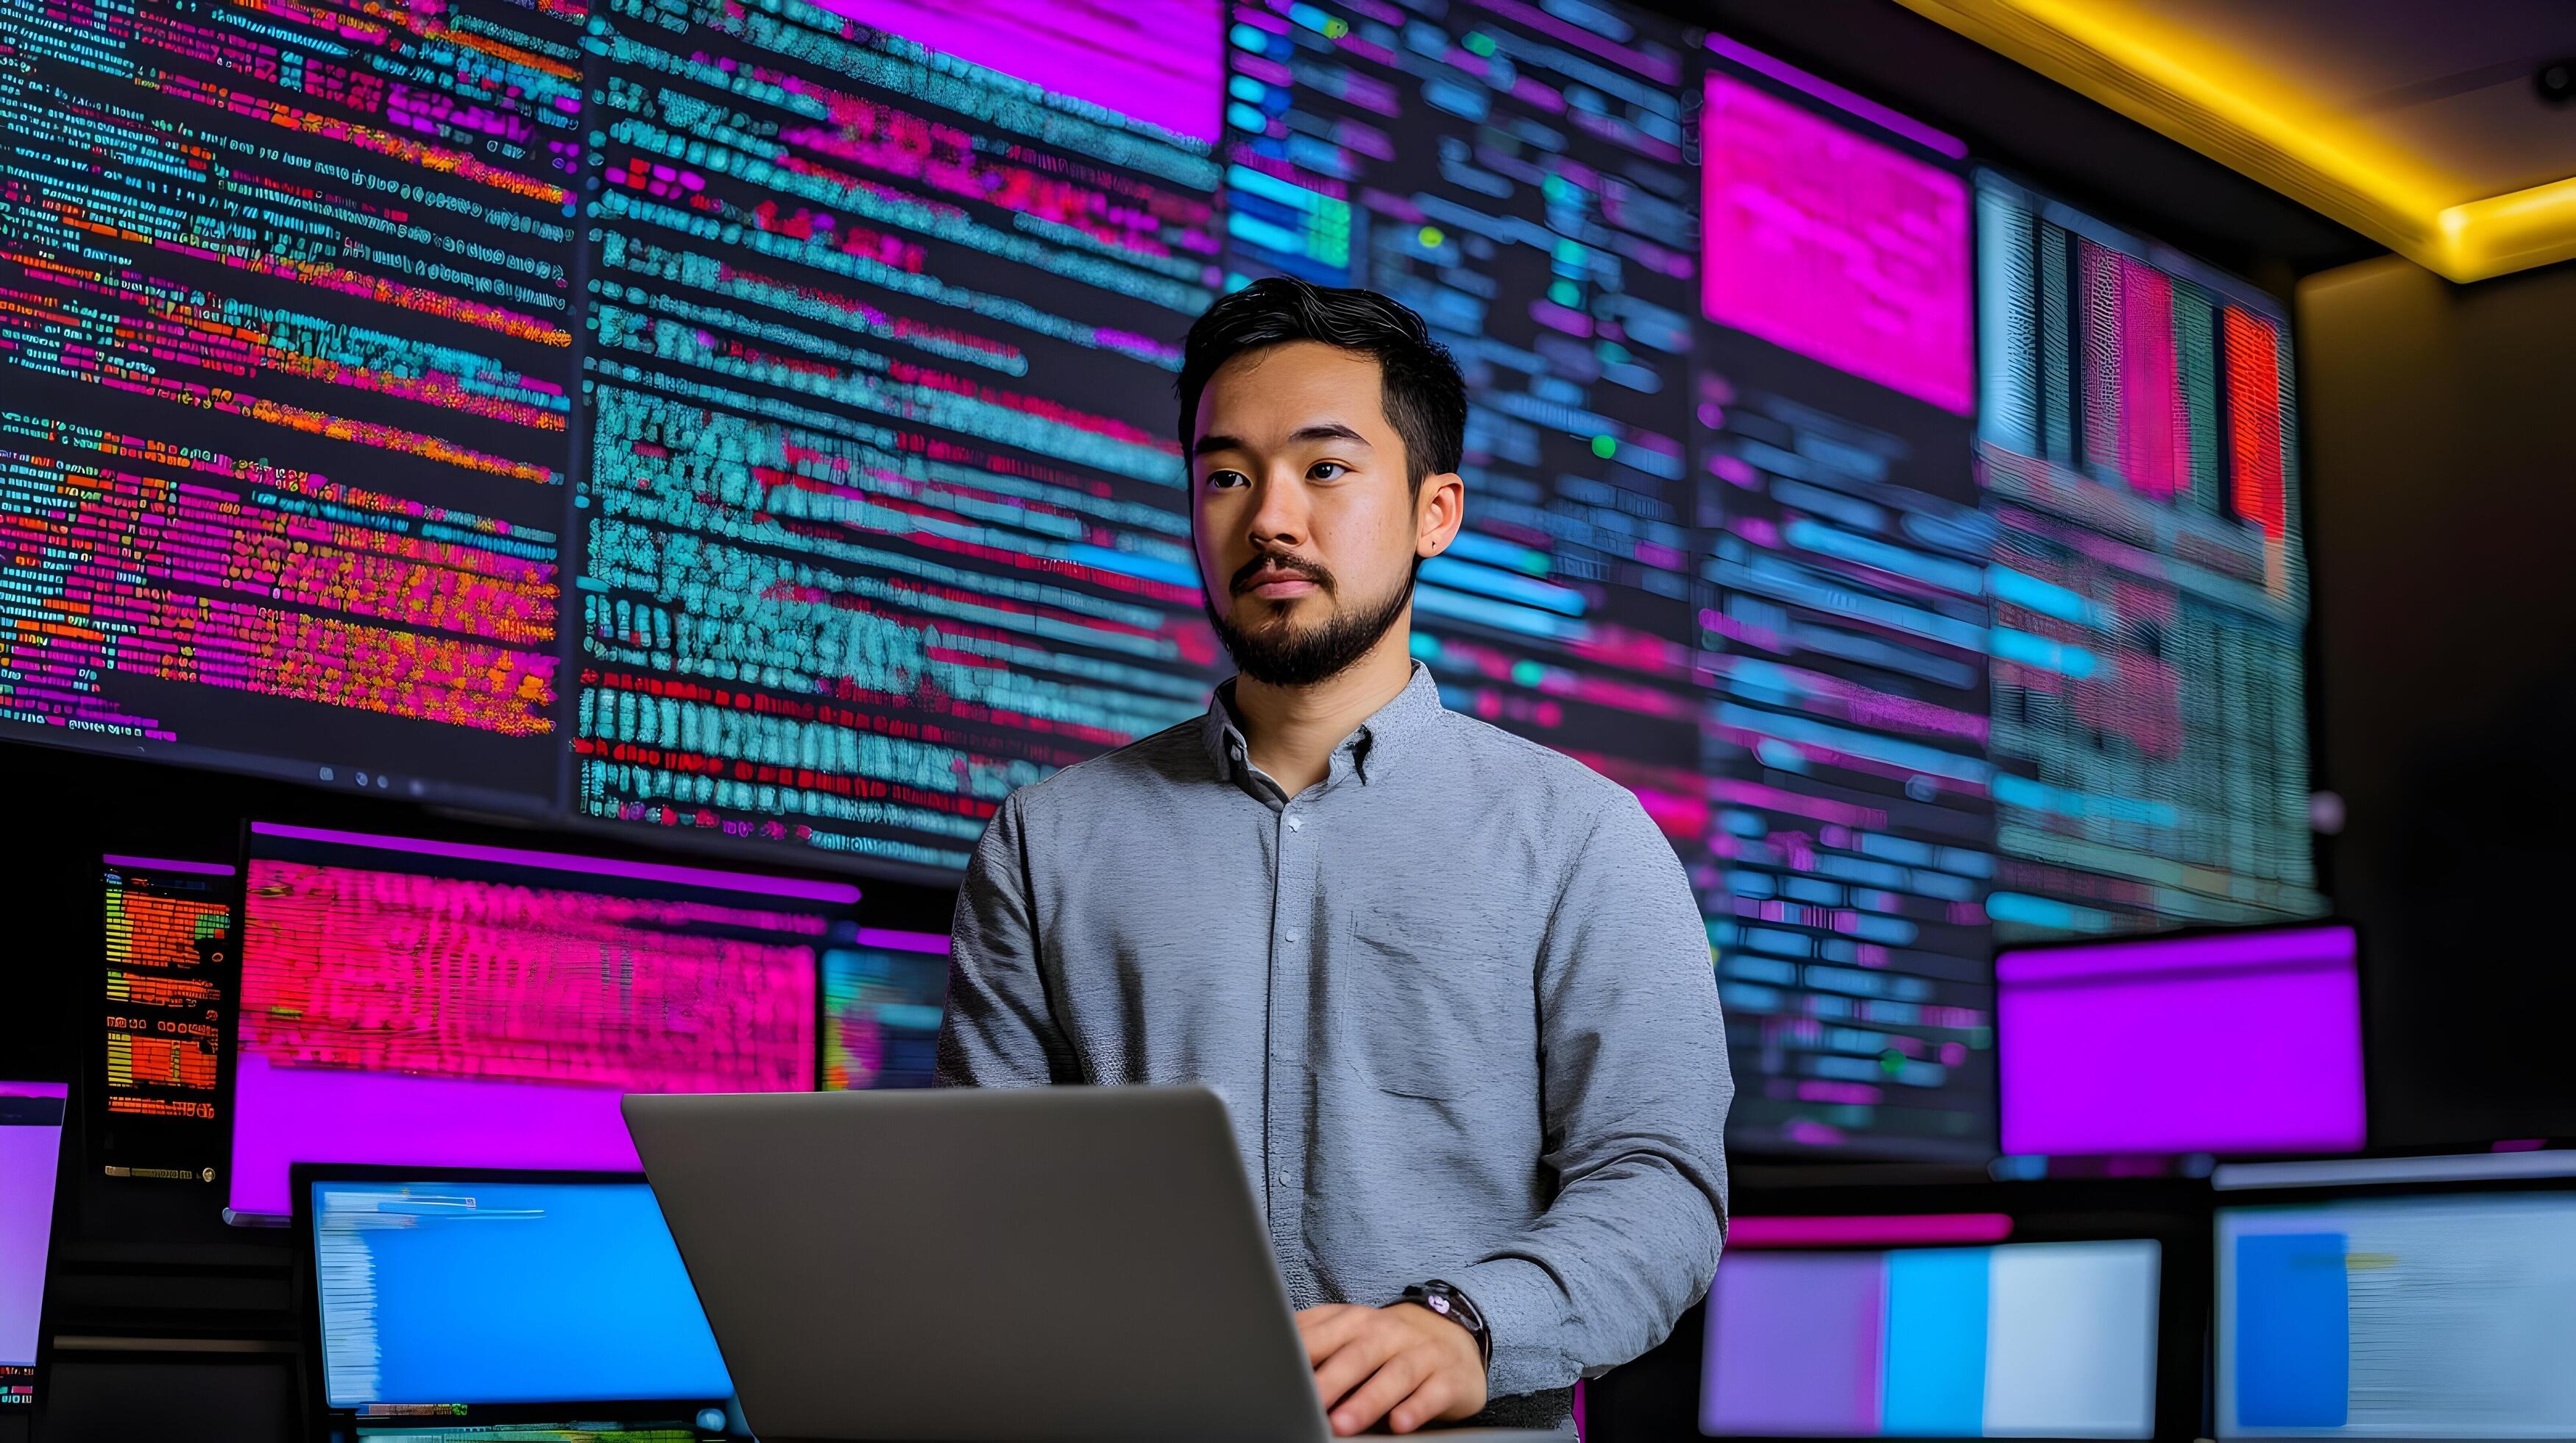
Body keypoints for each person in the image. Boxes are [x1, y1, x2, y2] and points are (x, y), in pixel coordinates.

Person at [936, 277, 1733, 1435]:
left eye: (1325, 468)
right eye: (1226, 475)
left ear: (1435, 511)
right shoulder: (1045, 842)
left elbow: (1659, 1190)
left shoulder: (1581, 839)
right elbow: (988, 1205)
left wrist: (1467, 1325)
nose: (1268, 517)